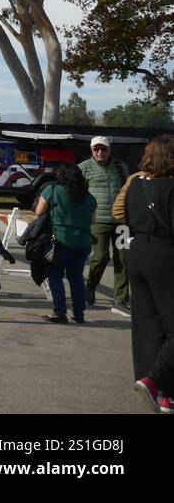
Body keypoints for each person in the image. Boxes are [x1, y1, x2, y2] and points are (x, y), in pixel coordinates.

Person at [115, 134, 174, 413]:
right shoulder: (171, 188)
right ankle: (156, 382)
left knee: (147, 325)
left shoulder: (135, 184)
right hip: (164, 253)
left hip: (137, 250)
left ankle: (160, 390)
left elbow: (122, 213)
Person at [36, 163, 97, 324]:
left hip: (61, 239)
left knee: (55, 275)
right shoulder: (90, 198)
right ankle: (79, 314)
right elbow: (93, 220)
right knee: (76, 277)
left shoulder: (53, 190)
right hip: (83, 242)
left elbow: (39, 211)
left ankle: (59, 311)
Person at [79, 135, 131, 316]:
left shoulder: (120, 167)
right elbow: (77, 194)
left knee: (123, 259)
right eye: (96, 149)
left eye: (103, 149)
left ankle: (122, 299)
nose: (99, 152)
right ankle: (91, 285)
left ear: (110, 150)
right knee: (100, 257)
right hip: (98, 222)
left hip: (121, 222)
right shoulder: (83, 168)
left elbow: (128, 189)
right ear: (91, 150)